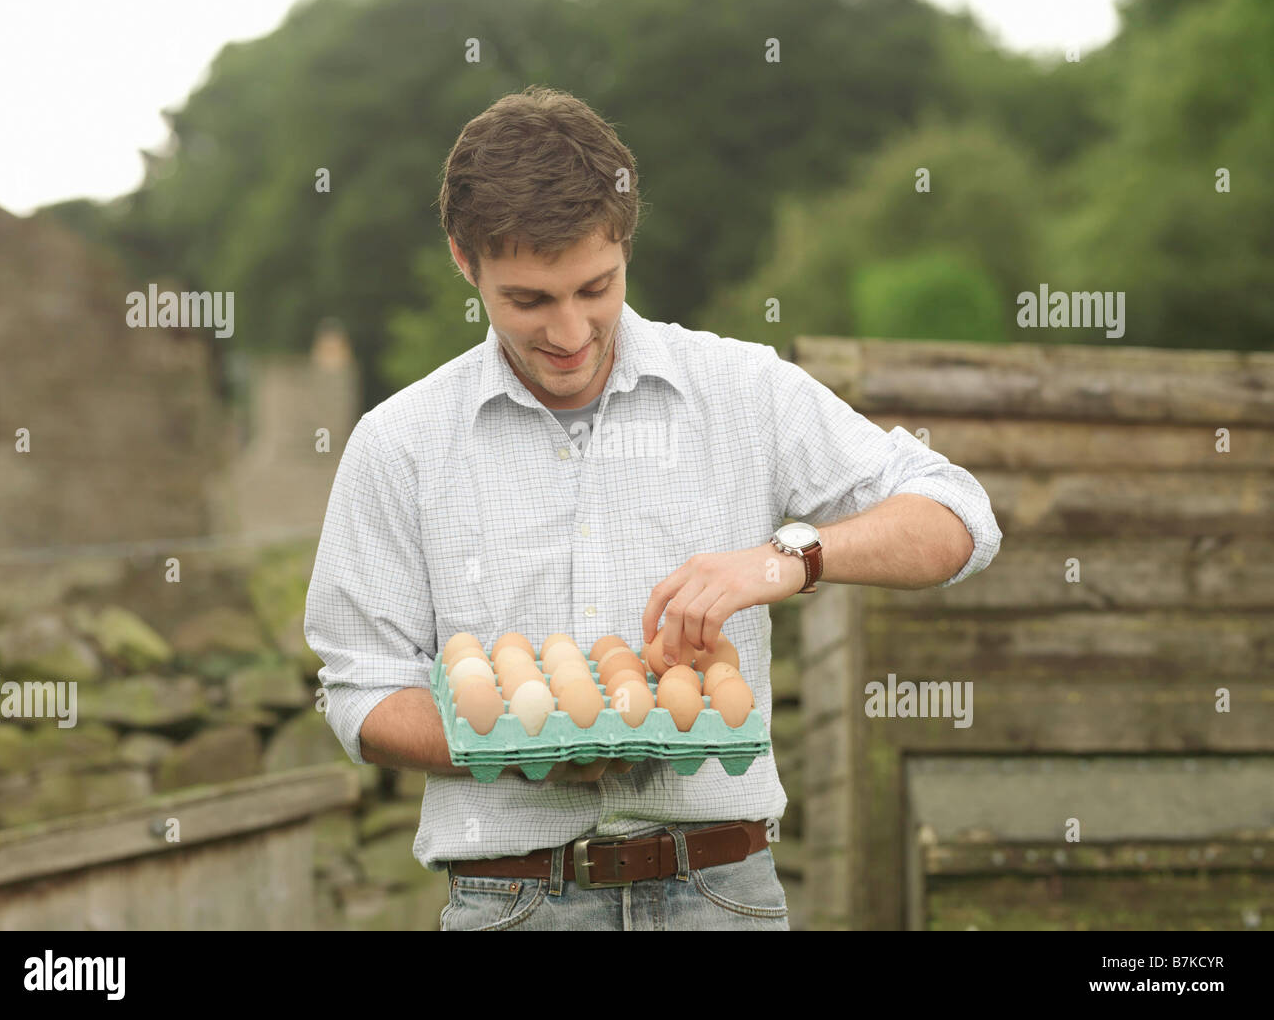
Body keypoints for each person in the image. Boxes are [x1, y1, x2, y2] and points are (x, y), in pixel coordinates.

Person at [304, 85, 1002, 931]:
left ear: (625, 241)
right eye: (530, 300)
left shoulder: (741, 389)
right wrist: (523, 746)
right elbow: (363, 690)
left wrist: (786, 557)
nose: (570, 332)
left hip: (720, 893)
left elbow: (959, 516)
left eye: (595, 287)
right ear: (464, 259)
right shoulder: (401, 442)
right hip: (512, 902)